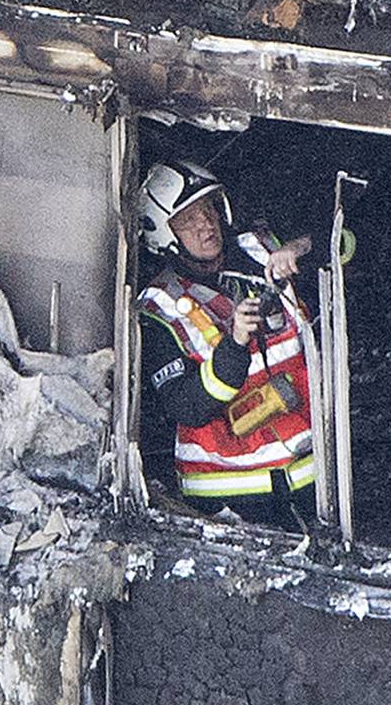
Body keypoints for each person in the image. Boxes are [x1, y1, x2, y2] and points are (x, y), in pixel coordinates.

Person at [136, 159, 318, 530]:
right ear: (163, 232)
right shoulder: (158, 307)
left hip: (310, 475)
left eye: (208, 210)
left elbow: (338, 236)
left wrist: (297, 249)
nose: (205, 224)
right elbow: (187, 406)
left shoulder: (260, 251)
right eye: (187, 219)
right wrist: (234, 345)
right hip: (231, 497)